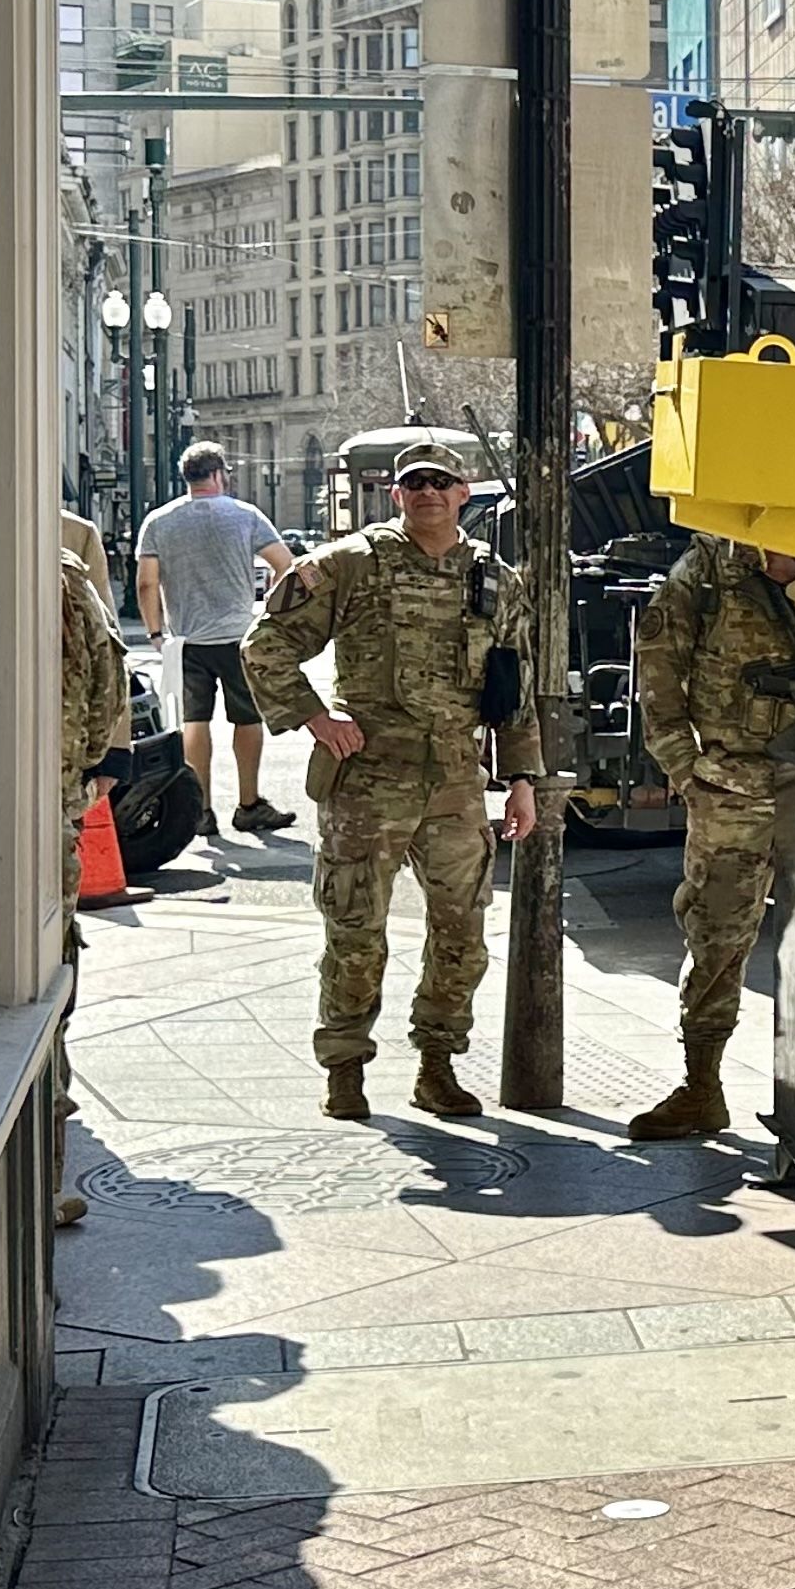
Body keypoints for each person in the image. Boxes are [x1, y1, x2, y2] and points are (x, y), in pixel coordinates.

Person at [241, 442, 541, 1122]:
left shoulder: (494, 580)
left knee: (462, 933)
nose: (428, 493)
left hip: (457, 782)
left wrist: (523, 778)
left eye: (442, 482)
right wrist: (316, 717)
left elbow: (515, 687)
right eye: (415, 484)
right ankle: (345, 1069)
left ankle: (438, 1065)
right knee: (355, 929)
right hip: (368, 779)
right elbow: (266, 645)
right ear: (395, 495)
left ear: (465, 493)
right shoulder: (352, 564)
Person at [627, 531, 795, 1143]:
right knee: (716, 938)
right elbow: (660, 671)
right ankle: (701, 1087)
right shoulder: (708, 565)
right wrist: (683, 768)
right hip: (728, 785)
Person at [137, 442, 297, 838]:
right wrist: (268, 613)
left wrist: (157, 633)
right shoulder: (245, 515)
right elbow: (286, 566)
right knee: (247, 718)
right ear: (219, 474)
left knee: (195, 721)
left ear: (187, 477)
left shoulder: (159, 521)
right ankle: (249, 803)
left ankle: (202, 809)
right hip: (239, 636)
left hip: (188, 640)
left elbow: (146, 583)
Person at [55, 537, 134, 1227]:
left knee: (47, 971)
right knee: (46, 968)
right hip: (50, 796)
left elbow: (106, 665)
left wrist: (99, 764)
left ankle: (46, 1168)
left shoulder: (65, 557)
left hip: (46, 799)